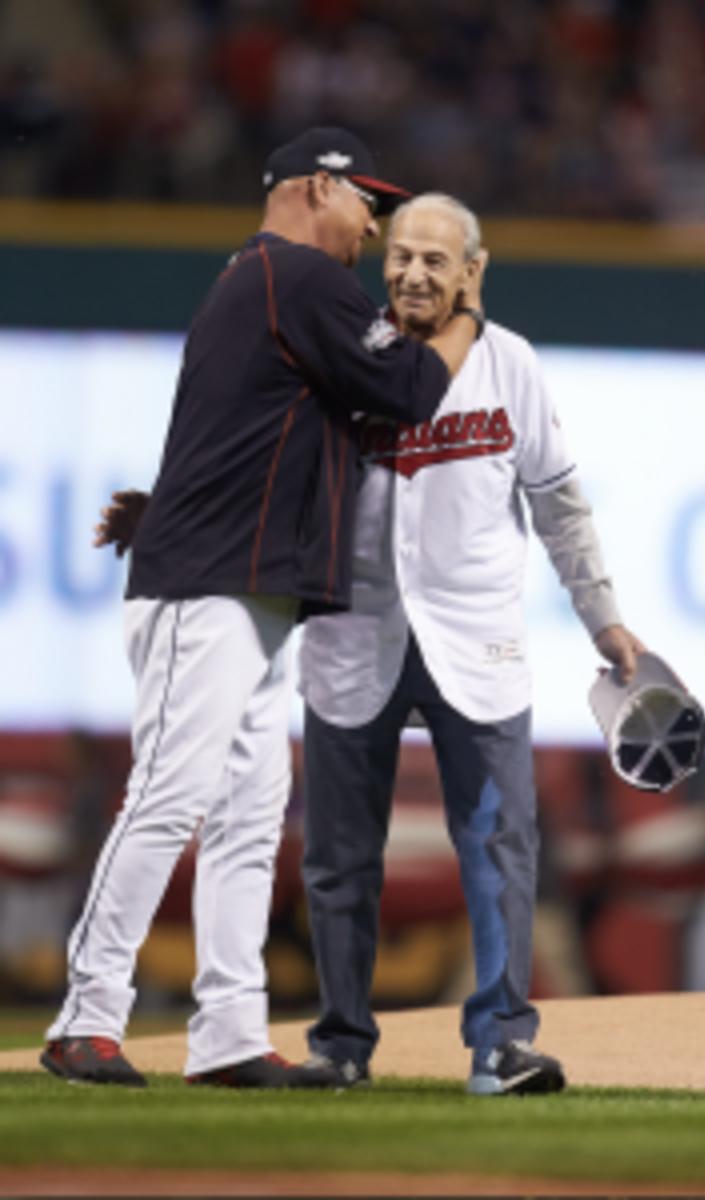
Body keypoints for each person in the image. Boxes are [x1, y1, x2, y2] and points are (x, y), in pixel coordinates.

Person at [42, 130, 482, 1089]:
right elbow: (409, 390)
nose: (374, 221)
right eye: (364, 198)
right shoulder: (300, 276)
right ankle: (85, 1019)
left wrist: (165, 507)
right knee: (168, 798)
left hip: (240, 587)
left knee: (246, 817)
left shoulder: (252, 281)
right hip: (210, 589)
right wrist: (466, 319)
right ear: (319, 189)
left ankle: (231, 1037)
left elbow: (243, 429)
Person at [296, 193, 646, 1096]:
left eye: (435, 260)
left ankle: (499, 1044)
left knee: (500, 844)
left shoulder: (511, 365)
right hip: (355, 628)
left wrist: (601, 615)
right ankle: (340, 1045)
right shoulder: (344, 351)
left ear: (473, 273)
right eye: (401, 255)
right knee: (339, 854)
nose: (413, 273)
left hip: (476, 635)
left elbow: (559, 503)